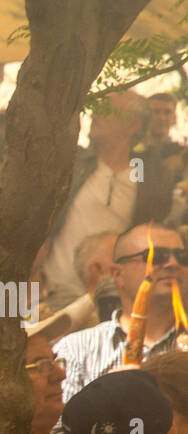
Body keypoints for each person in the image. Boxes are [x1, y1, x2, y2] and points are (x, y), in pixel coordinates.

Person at [38, 93, 173, 310]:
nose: (94, 114)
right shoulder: (76, 165)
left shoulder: (142, 172)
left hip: (113, 298)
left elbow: (152, 223)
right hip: (58, 294)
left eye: (105, 110)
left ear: (132, 125)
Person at [54, 222, 184, 401]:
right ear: (117, 274)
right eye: (156, 256)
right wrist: (107, 396)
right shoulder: (76, 349)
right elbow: (56, 427)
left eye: (182, 256)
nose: (173, 264)